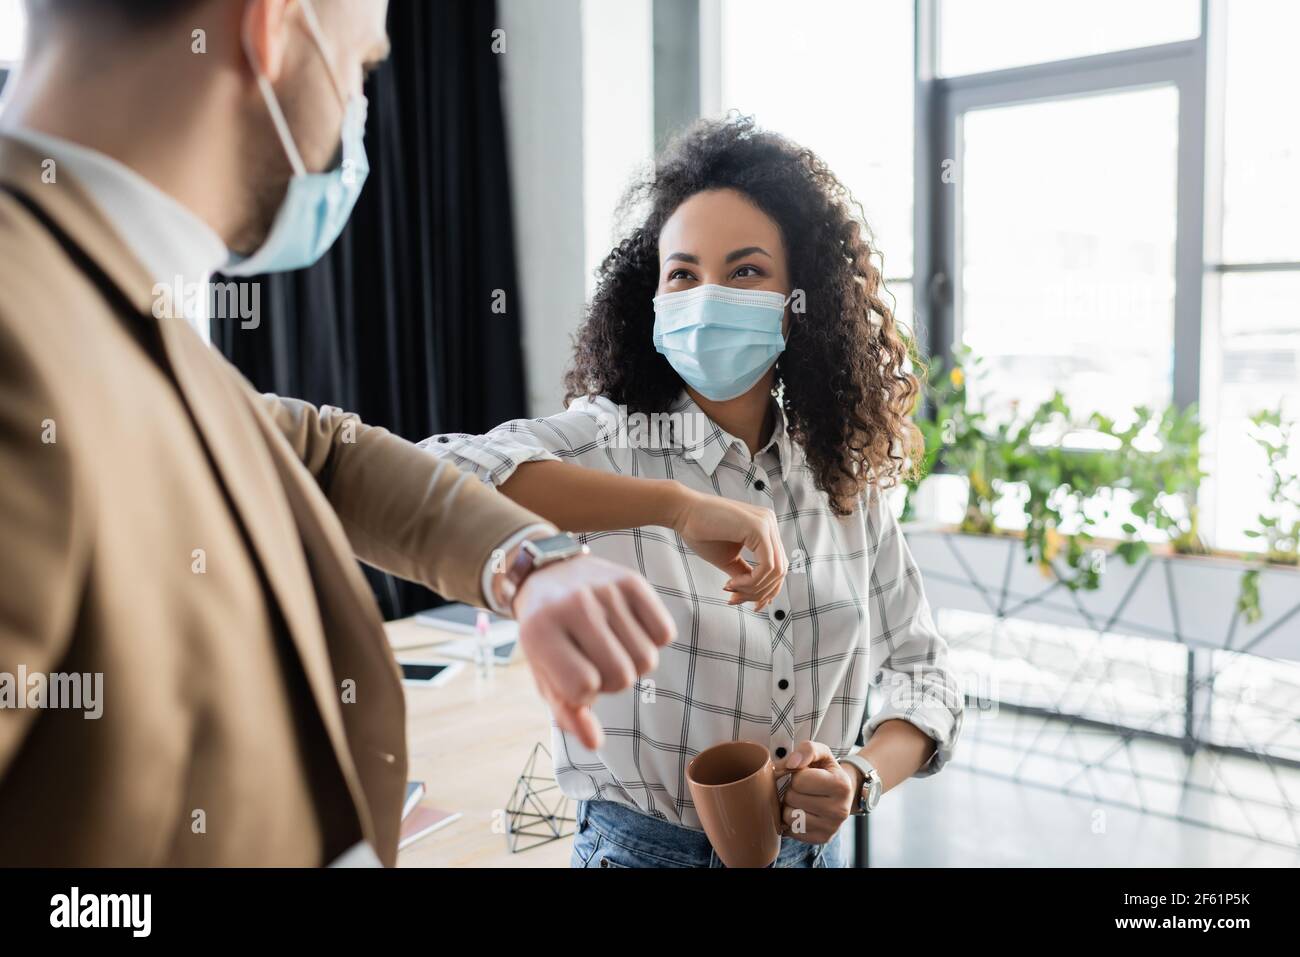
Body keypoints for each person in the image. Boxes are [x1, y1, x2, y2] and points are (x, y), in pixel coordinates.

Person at [0, 0, 772, 866]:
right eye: (362, 68)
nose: (354, 117)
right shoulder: (25, 337)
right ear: (274, 28)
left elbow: (317, 452)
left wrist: (530, 563)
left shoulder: (103, 296)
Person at [422, 116, 966, 868]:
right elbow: (432, 476)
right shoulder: (610, 441)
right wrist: (677, 509)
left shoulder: (838, 474)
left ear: (799, 297)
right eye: (682, 273)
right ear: (649, 298)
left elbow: (926, 670)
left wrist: (857, 774)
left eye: (745, 272)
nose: (708, 297)